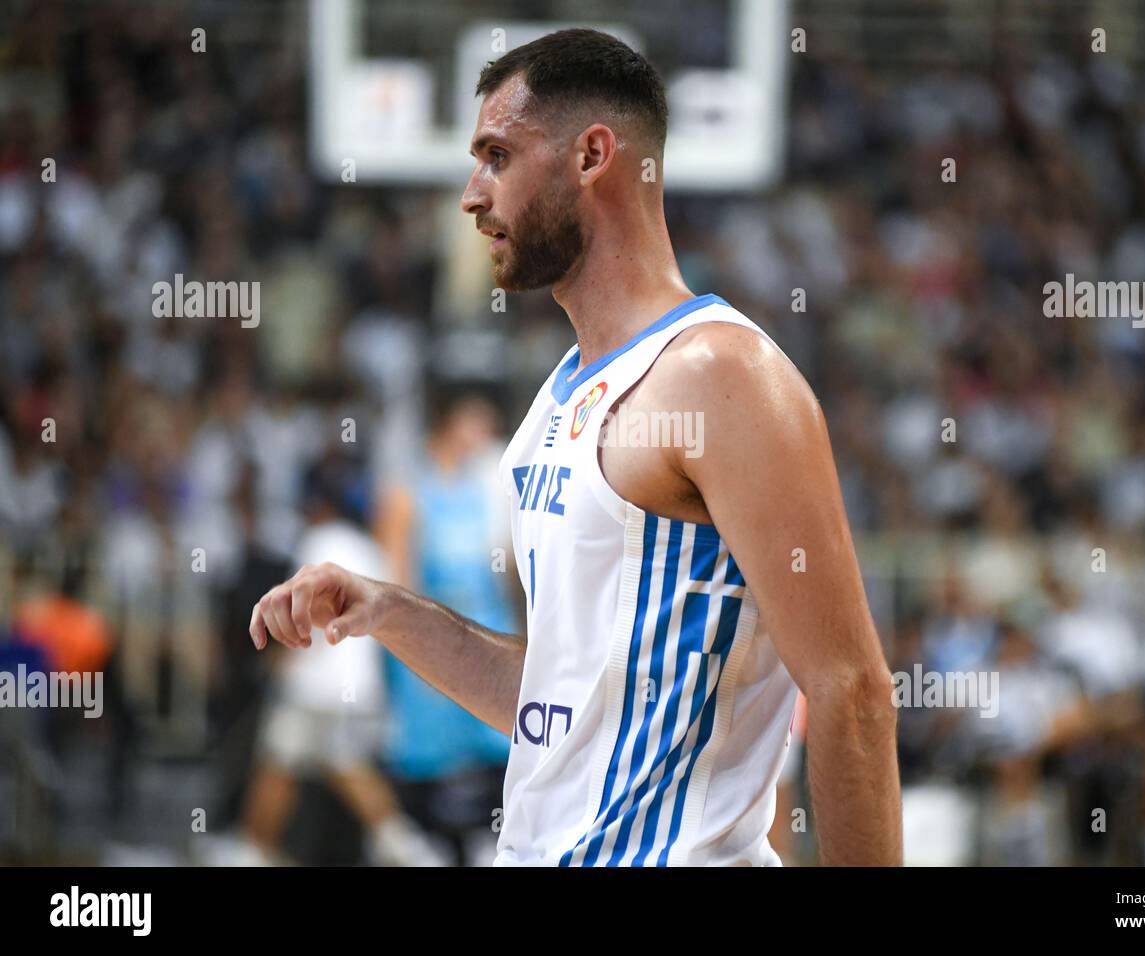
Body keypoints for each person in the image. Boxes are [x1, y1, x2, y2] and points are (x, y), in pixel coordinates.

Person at [250, 28, 900, 866]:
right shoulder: (553, 399)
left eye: (496, 155)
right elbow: (562, 701)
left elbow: (853, 691)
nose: (471, 194)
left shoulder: (720, 374)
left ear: (593, 155)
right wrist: (388, 611)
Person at [227, 456, 444, 866]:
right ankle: (407, 847)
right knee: (343, 763)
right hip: (358, 686)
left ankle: (251, 853)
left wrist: (279, 661)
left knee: (278, 763)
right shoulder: (369, 548)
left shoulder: (321, 540)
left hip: (316, 684)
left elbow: (306, 617)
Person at [373, 384, 518, 866]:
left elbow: (506, 574)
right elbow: (400, 586)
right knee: (436, 776)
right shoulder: (407, 494)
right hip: (436, 640)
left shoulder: (486, 490)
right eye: (476, 421)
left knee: (495, 762)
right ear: (449, 423)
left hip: (488, 632)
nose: (485, 434)